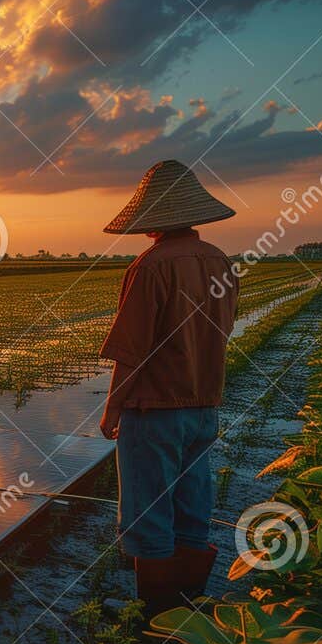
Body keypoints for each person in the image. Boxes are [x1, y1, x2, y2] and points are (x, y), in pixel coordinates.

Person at [97, 160, 239, 611]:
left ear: (151, 221)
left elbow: (131, 350)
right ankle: (187, 605)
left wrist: (113, 408)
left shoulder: (151, 265)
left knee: (148, 509)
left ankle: (153, 617)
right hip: (204, 405)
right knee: (192, 498)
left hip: (154, 410)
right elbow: (222, 330)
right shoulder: (220, 261)